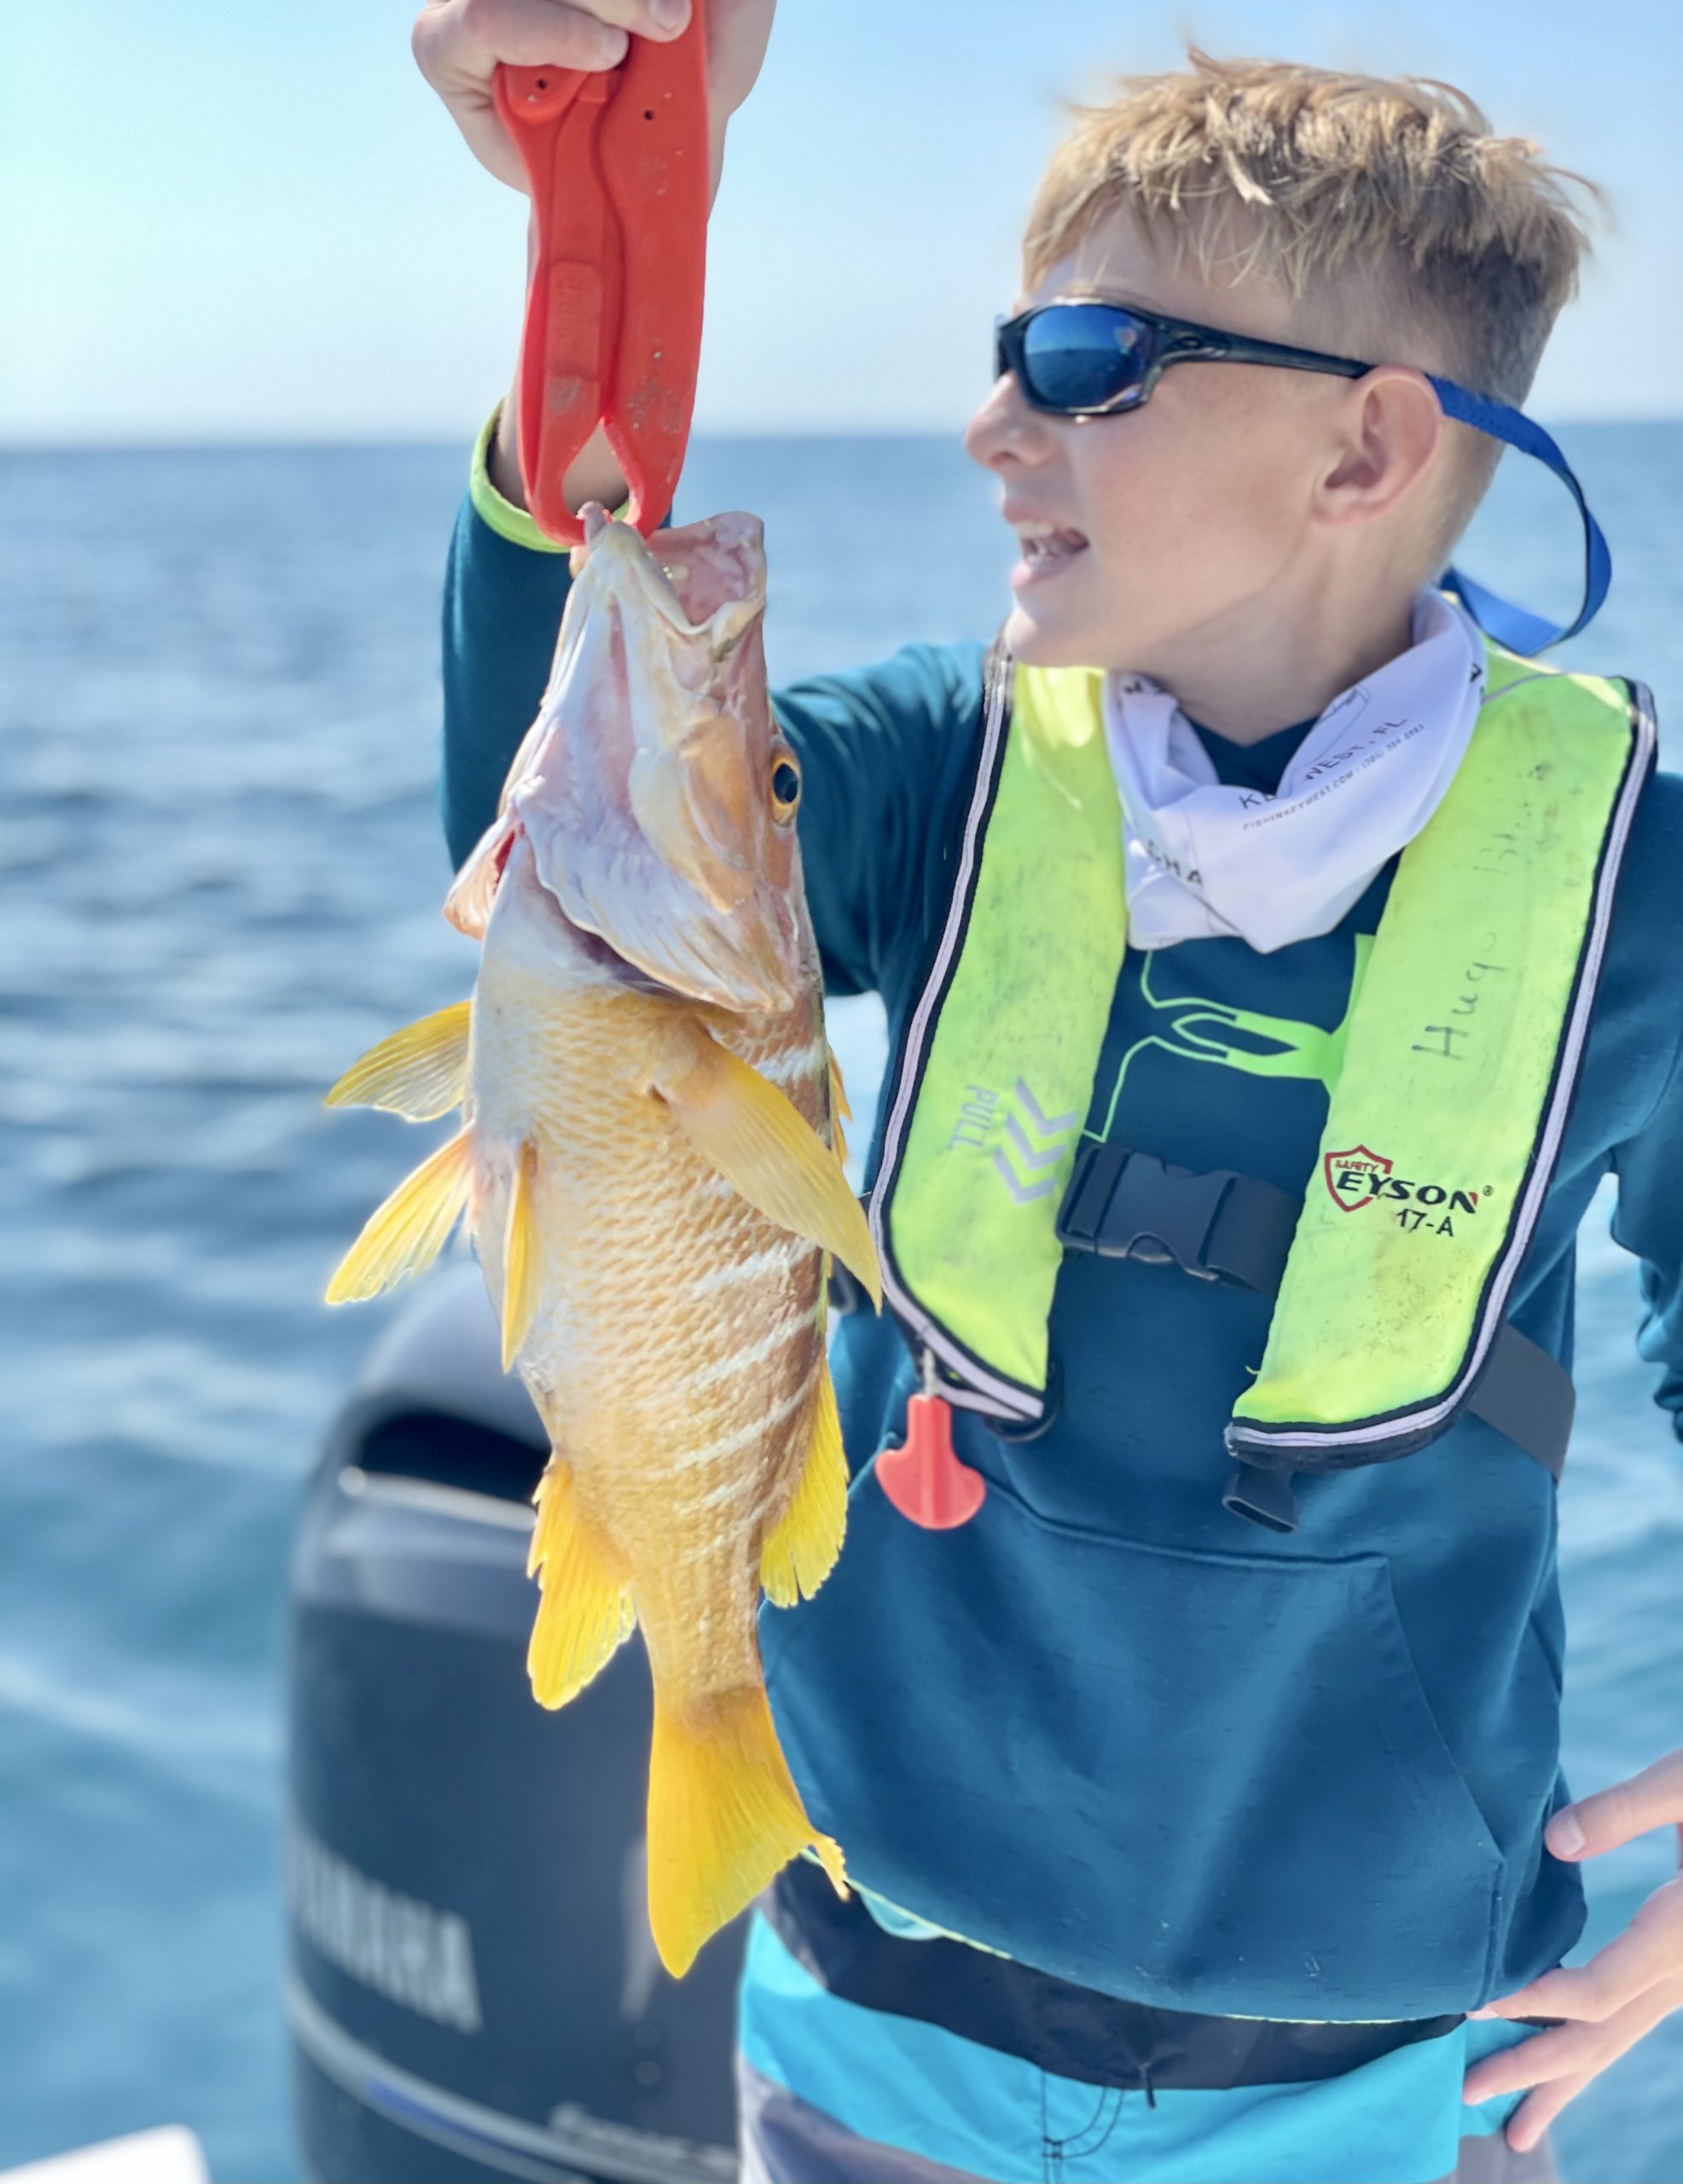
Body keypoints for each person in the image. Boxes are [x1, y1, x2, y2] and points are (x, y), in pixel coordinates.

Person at [411, 7, 1683, 2179]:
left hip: (1374, 2078)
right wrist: (597, 258)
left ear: (1365, 450)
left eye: (1089, 360)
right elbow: (573, 864)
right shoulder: (932, 767)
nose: (994, 424)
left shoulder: (1630, 889)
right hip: (870, 2006)